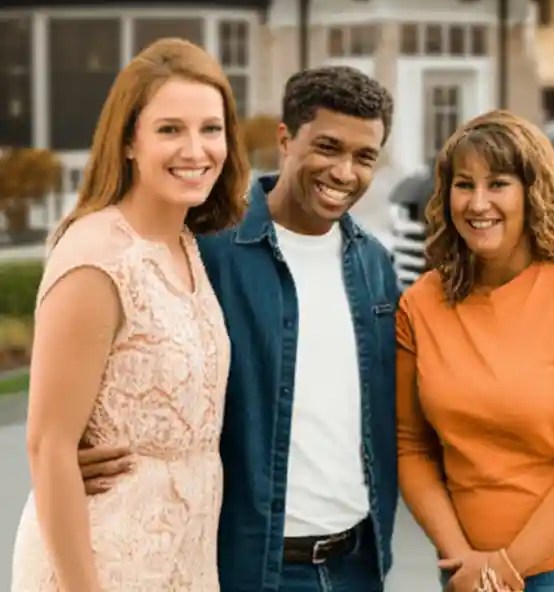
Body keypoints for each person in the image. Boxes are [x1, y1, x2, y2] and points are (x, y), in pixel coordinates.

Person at [73, 65, 402, 591]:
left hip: (357, 564)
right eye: (328, 148)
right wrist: (73, 445)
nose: (344, 172)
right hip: (251, 567)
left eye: (364, 157)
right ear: (285, 139)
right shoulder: (208, 249)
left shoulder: (376, 267)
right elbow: (128, 356)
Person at [11, 37, 250, 590]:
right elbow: (49, 446)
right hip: (102, 564)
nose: (195, 150)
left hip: (184, 562)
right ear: (127, 142)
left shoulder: (184, 244)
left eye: (210, 129)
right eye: (170, 129)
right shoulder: (96, 258)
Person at [396, 109, 554, 592]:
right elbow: (412, 447)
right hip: (465, 568)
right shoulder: (421, 304)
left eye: (498, 184)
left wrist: (503, 569)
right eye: (464, 184)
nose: (478, 202)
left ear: (532, 192)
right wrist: (461, 558)